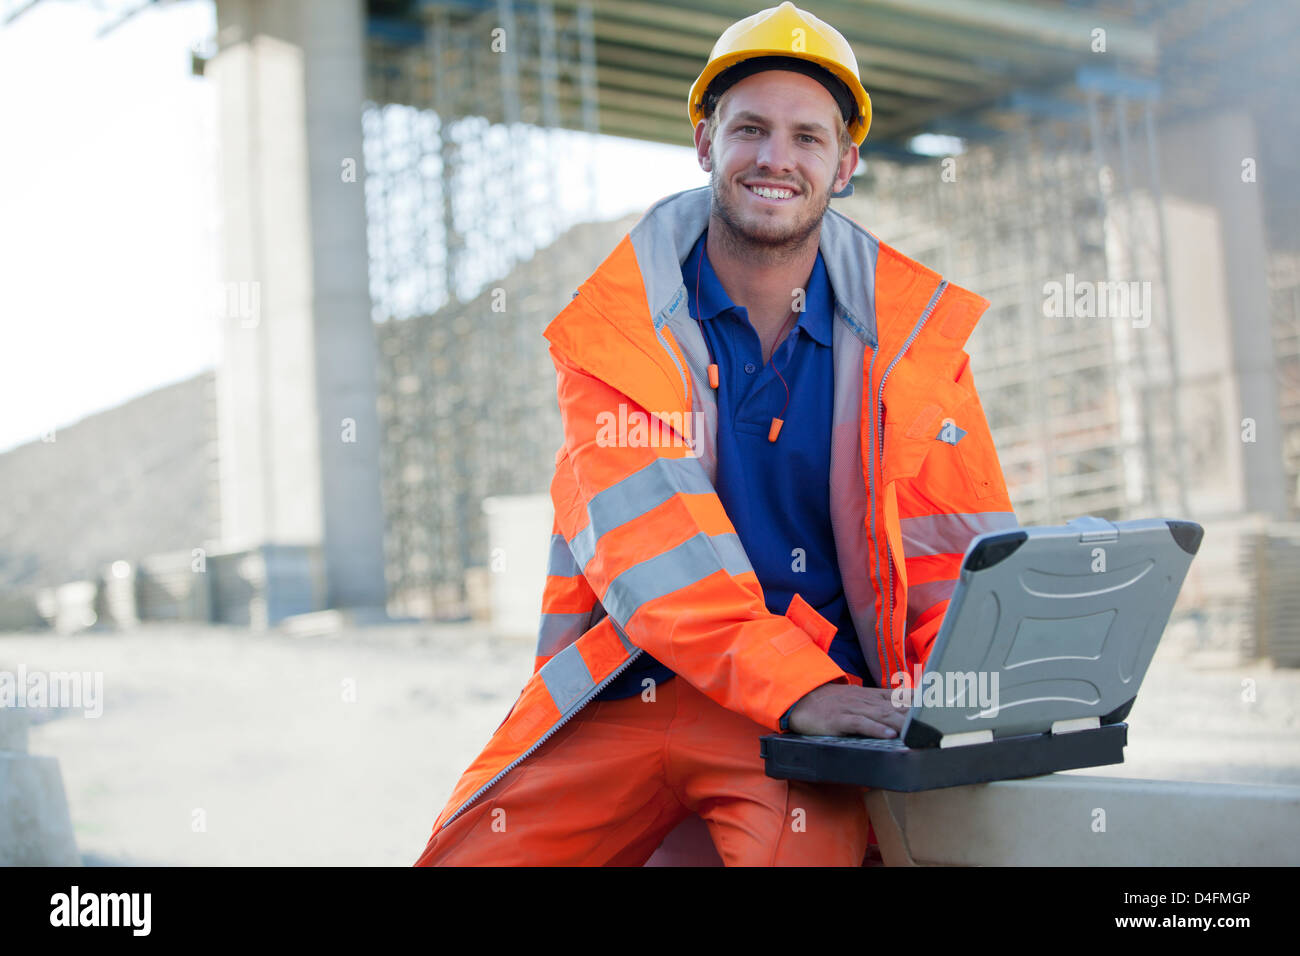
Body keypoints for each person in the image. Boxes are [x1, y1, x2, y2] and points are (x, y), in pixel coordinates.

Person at [414, 1, 1018, 867]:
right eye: (751, 130)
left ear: (846, 164)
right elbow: (653, 557)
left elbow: (953, 559)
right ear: (705, 144)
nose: (777, 158)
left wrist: (954, 709)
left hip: (813, 711)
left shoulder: (915, 353)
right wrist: (796, 686)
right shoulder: (614, 334)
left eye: (809, 137)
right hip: (631, 684)